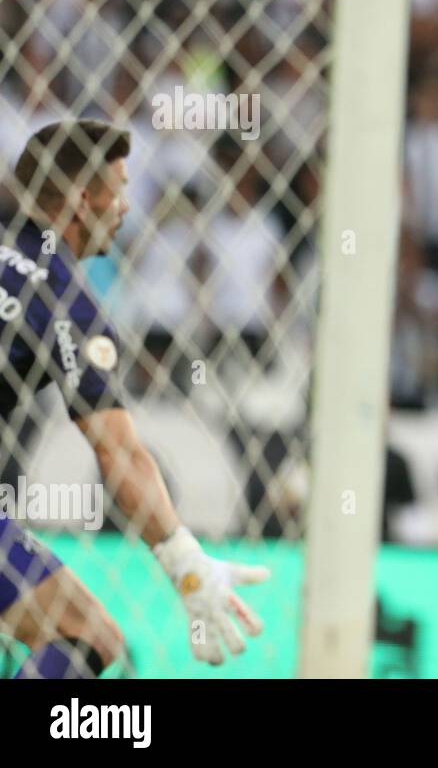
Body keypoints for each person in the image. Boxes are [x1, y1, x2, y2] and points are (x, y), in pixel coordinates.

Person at [0, 121, 268, 677]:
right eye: (117, 189)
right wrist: (183, 560)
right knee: (89, 636)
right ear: (80, 199)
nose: (125, 206)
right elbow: (118, 455)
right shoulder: (63, 297)